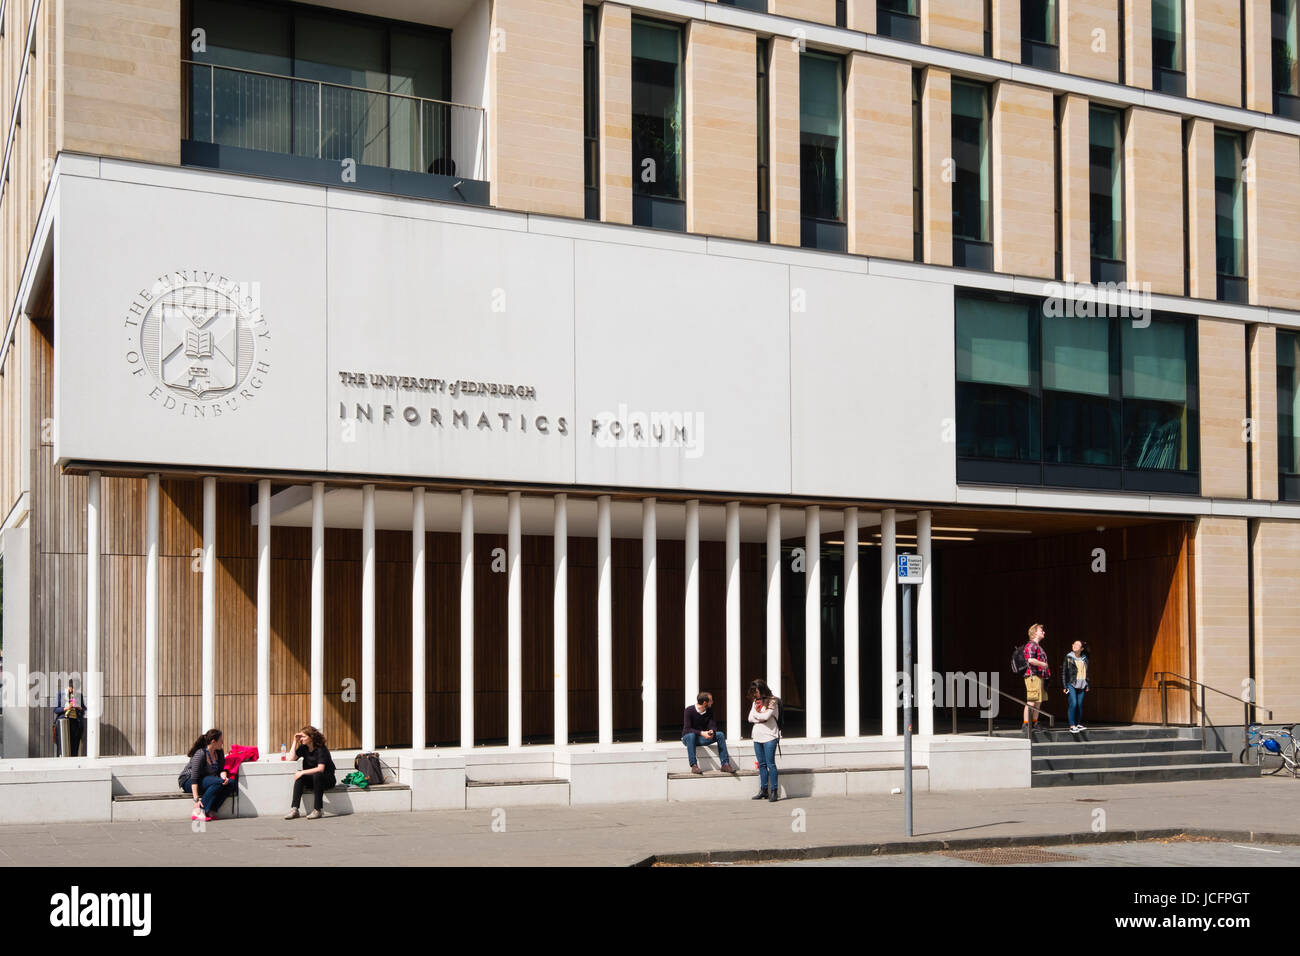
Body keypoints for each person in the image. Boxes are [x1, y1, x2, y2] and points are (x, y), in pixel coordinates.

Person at [179, 729, 233, 821]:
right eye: (221, 740)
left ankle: (211, 810)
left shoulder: (219, 752)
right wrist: (196, 799)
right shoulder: (200, 754)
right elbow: (194, 778)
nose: (223, 742)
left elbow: (221, 769)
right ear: (213, 741)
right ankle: (199, 811)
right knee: (218, 782)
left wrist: (224, 777)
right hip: (189, 781)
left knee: (231, 783)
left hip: (205, 780)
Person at [285, 725, 336, 820]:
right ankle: (294, 809)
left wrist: (302, 772)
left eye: (303, 736)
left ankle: (318, 810)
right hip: (313, 780)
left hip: (327, 780)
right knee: (300, 777)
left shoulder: (321, 749)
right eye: (300, 737)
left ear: (311, 738)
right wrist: (294, 741)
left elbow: (320, 769)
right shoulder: (304, 747)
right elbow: (291, 758)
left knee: (315, 774)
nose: (301, 739)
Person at [680, 692, 737, 775]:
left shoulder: (709, 711)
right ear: (704, 703)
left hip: (701, 738)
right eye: (711, 700)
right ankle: (694, 766)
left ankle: (725, 764)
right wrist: (701, 733)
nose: (712, 702)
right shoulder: (689, 710)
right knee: (691, 735)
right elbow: (687, 729)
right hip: (688, 738)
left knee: (720, 734)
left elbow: (713, 725)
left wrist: (711, 731)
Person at [748, 679, 780, 802]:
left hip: (770, 736)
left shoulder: (773, 700)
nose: (755, 694)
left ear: (762, 689)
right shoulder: (755, 702)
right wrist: (759, 718)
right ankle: (764, 790)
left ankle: (774, 791)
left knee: (770, 764)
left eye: (756, 691)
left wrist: (758, 716)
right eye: (754, 692)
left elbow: (766, 717)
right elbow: (750, 718)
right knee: (761, 764)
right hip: (757, 736)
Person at [1022, 623, 1051, 732]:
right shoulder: (1031, 645)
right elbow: (1030, 659)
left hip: (1040, 677)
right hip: (1033, 676)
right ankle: (1026, 724)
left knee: (1038, 701)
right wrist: (1042, 664)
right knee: (1032, 700)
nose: (1043, 632)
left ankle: (1034, 722)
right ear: (1034, 633)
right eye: (1041, 630)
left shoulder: (1038, 646)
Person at [1062, 640, 1090, 733]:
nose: (1075, 646)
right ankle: (1072, 725)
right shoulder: (1069, 657)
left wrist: (1087, 684)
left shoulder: (1085, 658)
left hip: (1082, 684)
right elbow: (1064, 672)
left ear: (1081, 649)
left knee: (1079, 705)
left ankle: (1077, 724)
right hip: (1072, 684)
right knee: (1073, 703)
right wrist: (1064, 686)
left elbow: (1087, 672)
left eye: (1078, 645)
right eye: (1074, 644)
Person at [53, 682, 87, 757]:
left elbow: (84, 708)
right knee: (62, 746)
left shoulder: (79, 695)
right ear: (69, 687)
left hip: (76, 723)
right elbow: (55, 710)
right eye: (72, 688)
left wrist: (79, 707)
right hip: (64, 723)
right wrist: (66, 708)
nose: (74, 691)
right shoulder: (60, 694)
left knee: (75, 746)